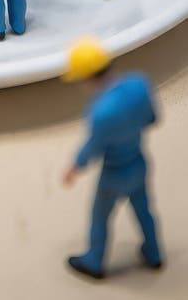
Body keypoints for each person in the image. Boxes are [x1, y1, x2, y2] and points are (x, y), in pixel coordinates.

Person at [61, 36, 163, 279]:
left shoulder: (100, 112)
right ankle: (154, 253)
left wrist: (75, 166)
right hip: (139, 162)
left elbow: (92, 148)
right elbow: (152, 118)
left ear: (86, 78)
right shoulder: (139, 83)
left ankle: (95, 261)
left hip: (114, 173)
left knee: (100, 216)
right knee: (144, 211)